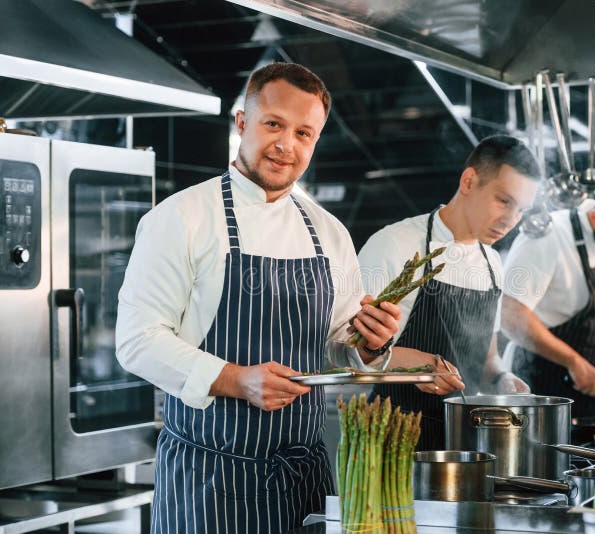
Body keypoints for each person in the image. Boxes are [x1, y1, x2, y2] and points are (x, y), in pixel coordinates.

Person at [115, 62, 401, 533]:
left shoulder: (329, 233)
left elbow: (336, 346)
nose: (287, 144)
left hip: (303, 476)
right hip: (208, 480)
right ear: (243, 122)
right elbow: (137, 340)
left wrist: (370, 345)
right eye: (274, 124)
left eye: (304, 133)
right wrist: (235, 379)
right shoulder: (181, 218)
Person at [358, 135, 540, 450]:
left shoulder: (492, 263)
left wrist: (501, 378)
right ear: (469, 181)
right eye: (504, 201)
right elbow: (346, 355)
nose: (511, 220)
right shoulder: (395, 244)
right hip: (391, 437)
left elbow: (487, 357)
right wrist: (413, 364)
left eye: (521, 210)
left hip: (463, 443)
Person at [501, 187, 595, 419]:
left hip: (591, 394)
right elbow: (510, 315)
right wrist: (572, 362)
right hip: (535, 389)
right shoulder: (548, 235)